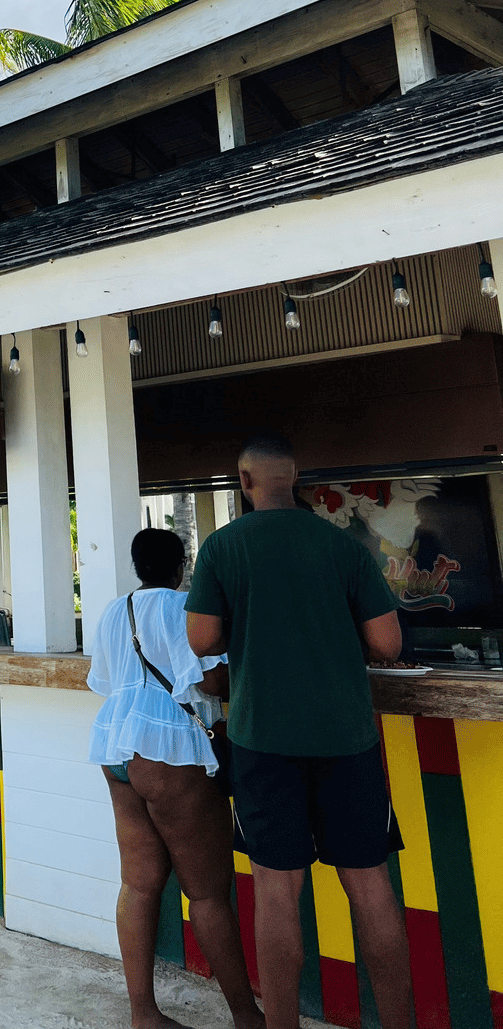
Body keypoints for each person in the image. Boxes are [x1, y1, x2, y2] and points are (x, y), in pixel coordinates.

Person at [186, 432, 409, 1029]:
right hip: (348, 740)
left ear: (244, 481)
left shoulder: (222, 547)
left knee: (278, 891)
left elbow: (202, 640)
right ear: (295, 479)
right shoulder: (344, 548)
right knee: (370, 886)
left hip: (263, 744)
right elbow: (388, 643)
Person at [89, 527, 262, 1029]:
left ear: (136, 563)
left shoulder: (113, 610)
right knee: (206, 893)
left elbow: (105, 679)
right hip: (168, 748)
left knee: (138, 886)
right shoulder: (181, 608)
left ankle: (144, 1014)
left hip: (117, 745)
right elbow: (209, 679)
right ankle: (247, 1016)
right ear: (180, 564)